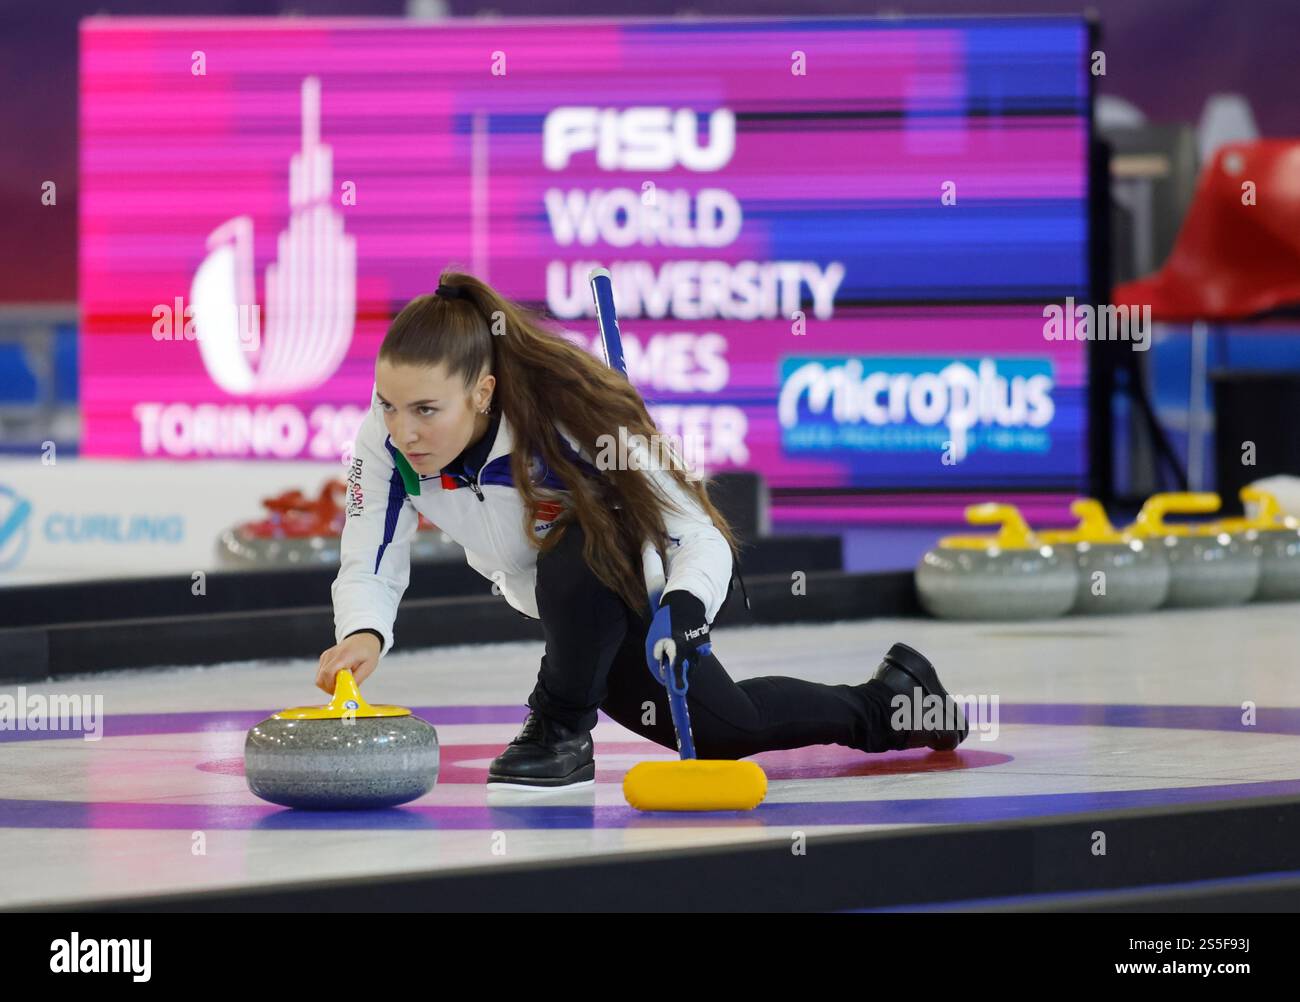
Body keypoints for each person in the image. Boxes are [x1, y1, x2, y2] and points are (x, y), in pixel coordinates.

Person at [318, 270, 968, 790]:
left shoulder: (573, 425)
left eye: (426, 409)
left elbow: (695, 533)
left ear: (484, 392)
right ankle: (896, 699)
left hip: (626, 573)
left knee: (580, 541)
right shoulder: (389, 445)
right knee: (727, 732)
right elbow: (371, 551)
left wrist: (685, 609)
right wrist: (363, 632)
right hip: (562, 603)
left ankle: (560, 729)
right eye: (388, 404)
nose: (403, 429)